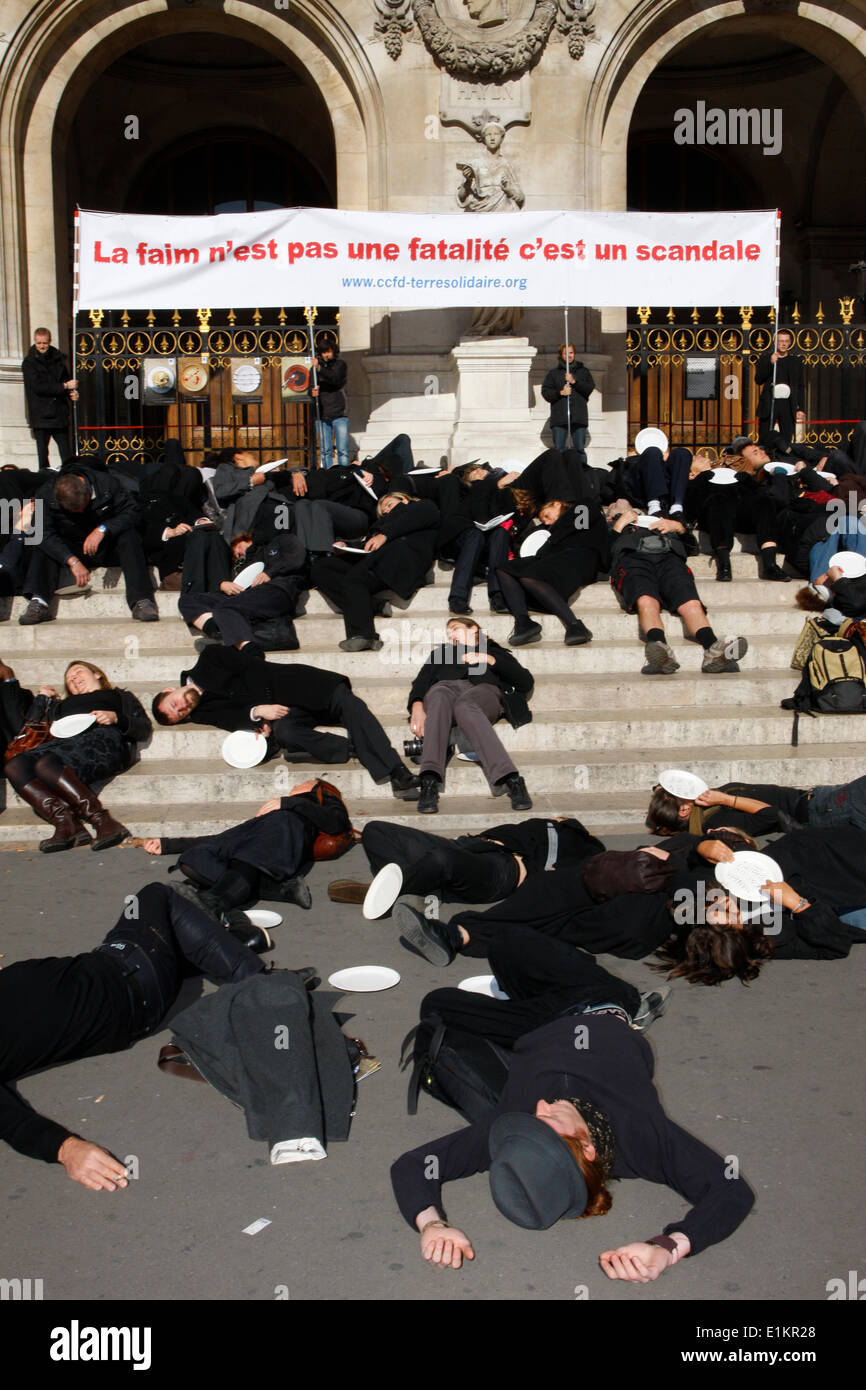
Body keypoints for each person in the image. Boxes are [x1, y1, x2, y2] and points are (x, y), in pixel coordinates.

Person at [391, 1010, 754, 1276]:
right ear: (588, 1146)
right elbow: (731, 1190)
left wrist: (432, 1225)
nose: (539, 1107)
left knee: (439, 1003)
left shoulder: (511, 1132)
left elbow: (412, 1165)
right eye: (546, 1122)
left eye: (536, 1120)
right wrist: (667, 1247)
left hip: (532, 1024)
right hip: (601, 1007)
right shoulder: (640, 1135)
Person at [0, 882, 270, 1185]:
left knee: (170, 931)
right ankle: (261, 983)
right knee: (155, 895)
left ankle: (235, 940)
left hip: (125, 977)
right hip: (130, 974)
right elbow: (9, 1120)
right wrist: (66, 1148)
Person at [151, 644, 421, 800]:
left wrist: (260, 705)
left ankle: (397, 772)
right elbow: (229, 719)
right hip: (285, 712)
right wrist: (257, 716)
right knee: (287, 733)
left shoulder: (209, 657)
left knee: (352, 706)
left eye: (176, 704)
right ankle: (354, 748)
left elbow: (250, 667)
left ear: (168, 690)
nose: (184, 707)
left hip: (304, 687)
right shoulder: (201, 711)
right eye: (181, 714)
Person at [141, 780, 353, 918]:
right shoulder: (278, 808)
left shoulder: (320, 796)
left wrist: (290, 803)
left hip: (286, 828)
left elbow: (336, 823)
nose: (295, 785)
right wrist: (169, 844)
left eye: (302, 783)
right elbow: (226, 837)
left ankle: (212, 903)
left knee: (249, 856)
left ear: (316, 785)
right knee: (194, 859)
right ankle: (281, 890)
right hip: (258, 835)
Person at [4, 659, 150, 851]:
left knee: (45, 764)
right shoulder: (60, 705)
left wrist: (116, 718)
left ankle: (103, 821)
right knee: (14, 765)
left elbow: (143, 728)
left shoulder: (118, 696)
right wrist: (43, 699)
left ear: (97, 674)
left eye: (78, 671)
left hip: (104, 738)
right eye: (69, 678)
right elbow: (29, 727)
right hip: (63, 743)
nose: (73, 677)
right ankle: (67, 823)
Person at [328, 814, 605, 913]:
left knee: (442, 860)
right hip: (469, 846)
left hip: (503, 870)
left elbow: (577, 882)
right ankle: (412, 887)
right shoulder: (543, 824)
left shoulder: (587, 849)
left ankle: (393, 891)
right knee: (376, 830)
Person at [408, 617, 533, 813]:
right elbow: (421, 682)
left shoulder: (494, 652)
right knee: (439, 694)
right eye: (449, 632)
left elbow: (525, 682)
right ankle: (429, 780)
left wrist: (489, 660)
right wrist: (417, 706)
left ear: (473, 629)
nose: (451, 634)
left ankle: (511, 779)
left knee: (465, 705)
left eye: (455, 629)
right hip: (445, 691)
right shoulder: (441, 653)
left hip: (483, 693)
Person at [609, 506, 748, 674]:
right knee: (646, 600)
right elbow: (603, 555)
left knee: (690, 603)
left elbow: (693, 549)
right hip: (633, 559)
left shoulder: (665, 522)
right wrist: (619, 525)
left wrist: (679, 528)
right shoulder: (616, 525)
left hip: (670, 559)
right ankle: (659, 649)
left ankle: (713, 649)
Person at [19, 466, 158, 625]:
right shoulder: (46, 493)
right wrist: (71, 560)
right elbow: (43, 532)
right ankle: (39, 601)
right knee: (41, 544)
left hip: (107, 544)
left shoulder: (106, 484)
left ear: (87, 492)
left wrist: (103, 529)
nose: (79, 512)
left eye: (81, 507)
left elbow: (132, 512)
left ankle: (142, 600)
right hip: (73, 546)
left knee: (129, 536)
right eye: (73, 510)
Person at [310, 492, 440, 651]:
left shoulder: (422, 507)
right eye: (382, 510)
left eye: (389, 505)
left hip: (398, 564)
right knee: (321, 568)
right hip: (373, 563)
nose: (385, 510)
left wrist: (384, 535)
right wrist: (346, 547)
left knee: (354, 579)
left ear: (404, 500)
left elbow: (415, 518)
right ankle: (374, 605)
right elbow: (368, 546)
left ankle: (365, 636)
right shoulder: (380, 526)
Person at [497, 497, 607, 646]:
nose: (547, 522)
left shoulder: (583, 506)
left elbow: (580, 525)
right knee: (504, 568)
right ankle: (524, 623)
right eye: (544, 520)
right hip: (554, 558)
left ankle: (575, 625)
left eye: (547, 515)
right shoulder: (551, 530)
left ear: (557, 504)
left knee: (529, 576)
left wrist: (551, 539)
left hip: (581, 556)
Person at [178, 529, 306, 650]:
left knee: (227, 608)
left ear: (244, 539)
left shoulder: (282, 541)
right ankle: (220, 633)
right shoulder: (249, 559)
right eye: (236, 555)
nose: (238, 554)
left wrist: (269, 573)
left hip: (275, 588)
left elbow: (296, 558)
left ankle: (242, 644)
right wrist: (222, 585)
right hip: (245, 594)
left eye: (238, 548)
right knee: (187, 600)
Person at [21, 327, 76, 472]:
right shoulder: (29, 363)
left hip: (59, 413)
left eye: (44, 343)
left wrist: (72, 393)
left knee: (66, 454)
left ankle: (69, 477)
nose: (42, 346)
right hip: (40, 414)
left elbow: (67, 381)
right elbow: (38, 387)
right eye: (39, 343)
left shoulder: (58, 359)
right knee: (43, 456)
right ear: (35, 341)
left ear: (50, 341)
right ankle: (43, 482)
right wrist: (64, 386)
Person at [541, 344, 595, 455]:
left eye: (571, 353)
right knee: (559, 450)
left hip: (578, 417)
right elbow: (546, 393)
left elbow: (589, 388)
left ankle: (581, 471)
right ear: (561, 355)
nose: (569, 356)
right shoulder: (553, 374)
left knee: (580, 449)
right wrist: (560, 393)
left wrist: (574, 382)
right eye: (566, 353)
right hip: (560, 417)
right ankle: (560, 471)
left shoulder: (583, 372)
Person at [755, 328, 805, 447]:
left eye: (786, 341)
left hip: (788, 403)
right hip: (770, 402)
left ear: (789, 342)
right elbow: (758, 379)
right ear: (775, 342)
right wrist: (770, 363)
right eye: (780, 341)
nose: (783, 344)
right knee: (765, 436)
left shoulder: (795, 361)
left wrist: (801, 408)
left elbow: (800, 385)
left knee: (786, 438)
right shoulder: (766, 359)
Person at [312, 342, 349, 469]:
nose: (326, 355)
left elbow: (335, 378)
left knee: (342, 450)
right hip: (322, 413)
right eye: (323, 352)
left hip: (338, 412)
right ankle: (327, 474)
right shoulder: (315, 368)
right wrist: (312, 392)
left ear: (333, 351)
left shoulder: (340, 365)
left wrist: (320, 369)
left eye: (328, 351)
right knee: (325, 450)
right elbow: (309, 386)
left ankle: (344, 473)